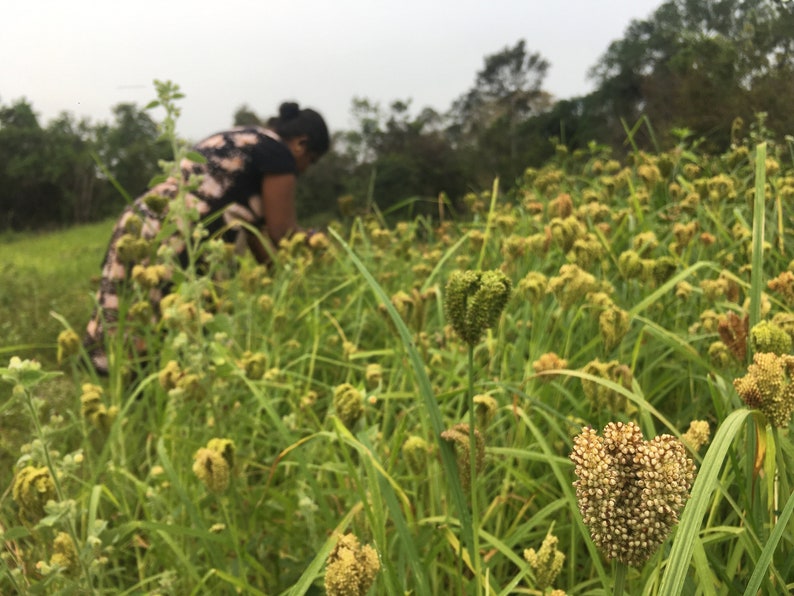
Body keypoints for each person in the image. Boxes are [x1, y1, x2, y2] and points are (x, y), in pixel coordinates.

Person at [84, 102, 330, 374]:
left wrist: (285, 288)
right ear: (301, 144)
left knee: (132, 333)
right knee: (180, 338)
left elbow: (262, 246)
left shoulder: (241, 138)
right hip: (178, 235)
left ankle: (132, 407)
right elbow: (283, 234)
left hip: (140, 223)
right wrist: (319, 245)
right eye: (311, 161)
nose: (304, 170)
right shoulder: (278, 153)